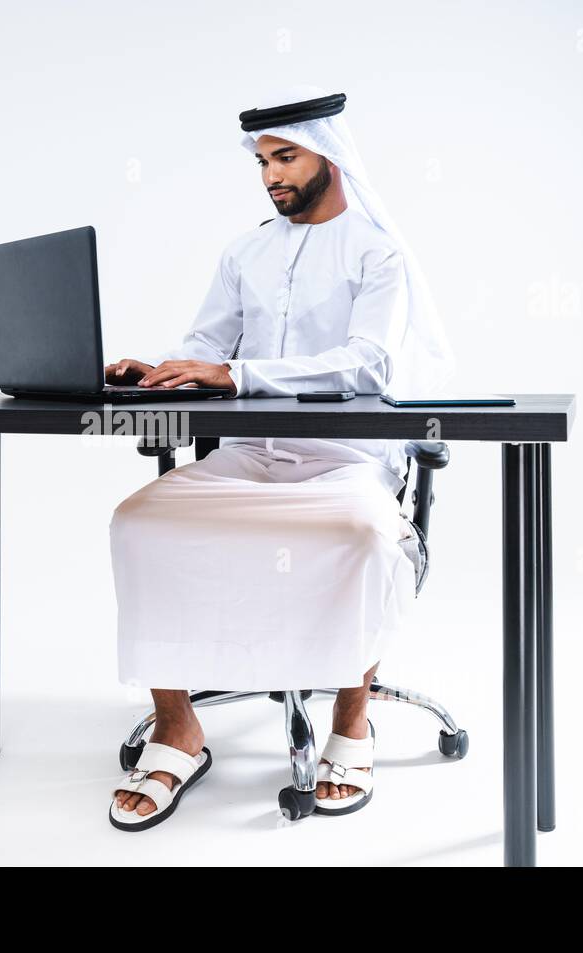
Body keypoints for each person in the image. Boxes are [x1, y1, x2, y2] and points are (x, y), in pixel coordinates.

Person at [105, 84, 456, 829]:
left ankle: (352, 719)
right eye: (263, 161)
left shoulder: (378, 252)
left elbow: (367, 365)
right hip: (248, 456)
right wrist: (162, 367)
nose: (271, 175)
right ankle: (177, 725)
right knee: (138, 522)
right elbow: (207, 346)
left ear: (327, 156)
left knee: (362, 536)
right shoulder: (246, 251)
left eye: (285, 157)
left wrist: (235, 375)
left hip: (347, 461)